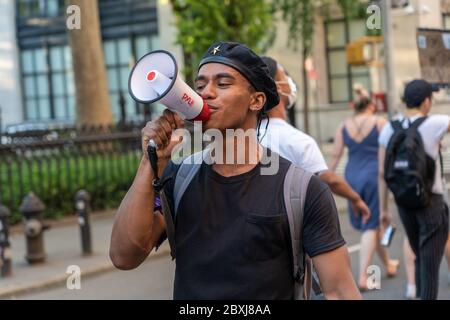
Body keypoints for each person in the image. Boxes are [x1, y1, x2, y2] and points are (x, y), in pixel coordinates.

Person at [109, 41, 362, 300]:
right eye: (200, 85)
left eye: (222, 83)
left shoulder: (302, 190)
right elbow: (124, 256)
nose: (205, 93)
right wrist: (150, 164)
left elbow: (340, 292)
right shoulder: (179, 177)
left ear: (256, 100)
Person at [258, 56, 370, 225]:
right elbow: (327, 178)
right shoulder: (298, 141)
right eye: (284, 76)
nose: (290, 81)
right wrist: (356, 198)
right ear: (277, 88)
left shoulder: (244, 137)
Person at [378, 79, 450, 300]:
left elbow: (381, 173)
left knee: (420, 257)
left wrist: (383, 209)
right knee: (429, 267)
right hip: (431, 203)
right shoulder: (435, 123)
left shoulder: (389, 128)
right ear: (427, 102)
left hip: (403, 202)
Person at [329, 83, 399, 291]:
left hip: (351, 177)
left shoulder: (344, 126)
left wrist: (324, 178)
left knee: (371, 222)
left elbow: (334, 158)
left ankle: (387, 264)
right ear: (371, 106)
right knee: (372, 224)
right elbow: (389, 153)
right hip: (373, 177)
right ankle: (362, 277)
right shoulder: (380, 123)